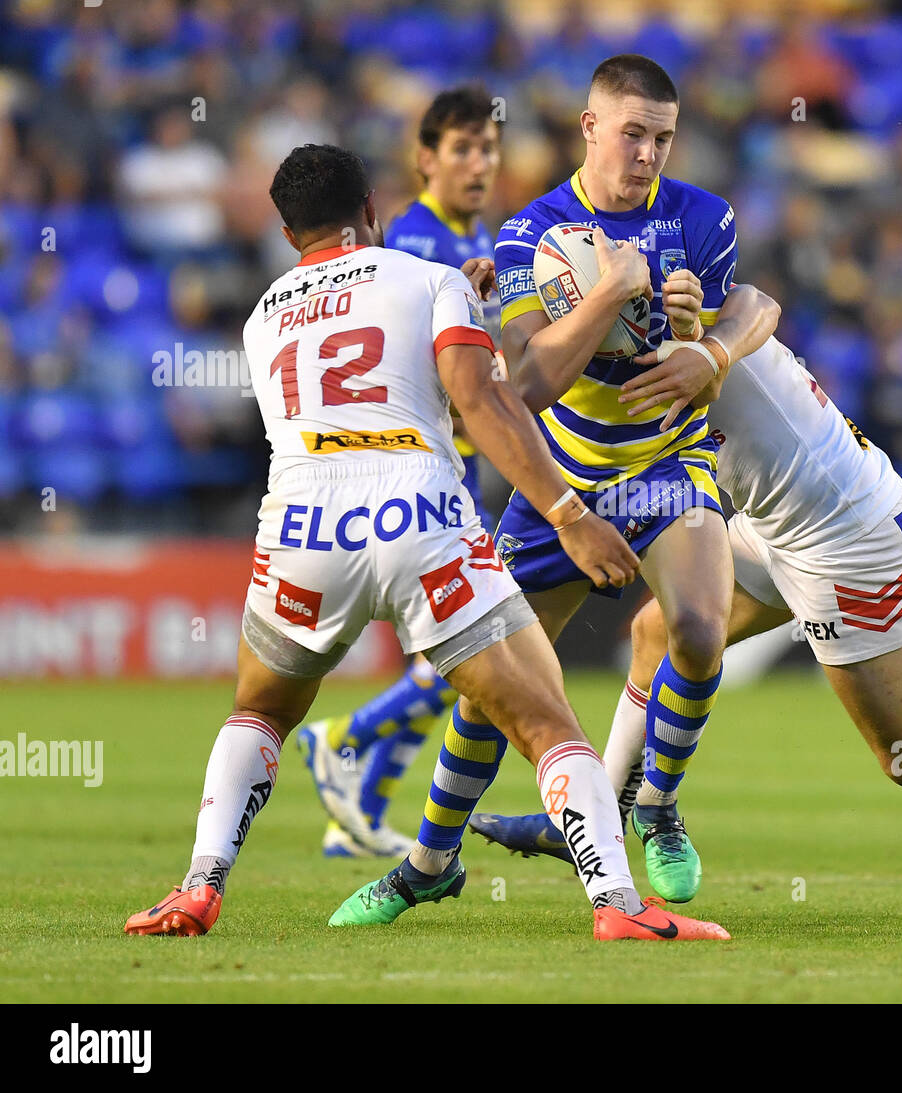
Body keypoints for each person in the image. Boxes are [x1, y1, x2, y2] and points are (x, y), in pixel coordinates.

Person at [124, 143, 728, 943]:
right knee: (548, 723)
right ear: (372, 208)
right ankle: (618, 902)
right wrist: (570, 514)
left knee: (258, 714)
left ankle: (198, 887)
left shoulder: (264, 314)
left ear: (285, 231)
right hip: (418, 519)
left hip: (304, 532)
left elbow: (349, 400)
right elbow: (476, 401)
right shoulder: (424, 278)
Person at [472, 335, 902, 923]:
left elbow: (554, 385)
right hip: (784, 523)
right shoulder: (672, 311)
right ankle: (608, 819)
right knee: (660, 632)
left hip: (847, 541)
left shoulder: (676, 326)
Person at [471, 52, 755, 904]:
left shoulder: (705, 220)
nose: (648, 154)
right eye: (632, 133)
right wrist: (611, 295)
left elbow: (715, 355)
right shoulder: (529, 232)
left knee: (699, 630)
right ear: (589, 126)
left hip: (670, 463)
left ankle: (656, 806)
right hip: (562, 478)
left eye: (663, 138)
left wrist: (697, 337)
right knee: (493, 677)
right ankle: (427, 859)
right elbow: (525, 385)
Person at [296, 86, 505, 859]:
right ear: (424, 160)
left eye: (488, 148)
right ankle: (345, 738)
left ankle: (355, 810)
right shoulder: (412, 243)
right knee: (469, 652)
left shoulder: (472, 233)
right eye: (461, 149)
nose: (479, 163)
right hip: (421, 470)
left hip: (460, 465)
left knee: (448, 656)